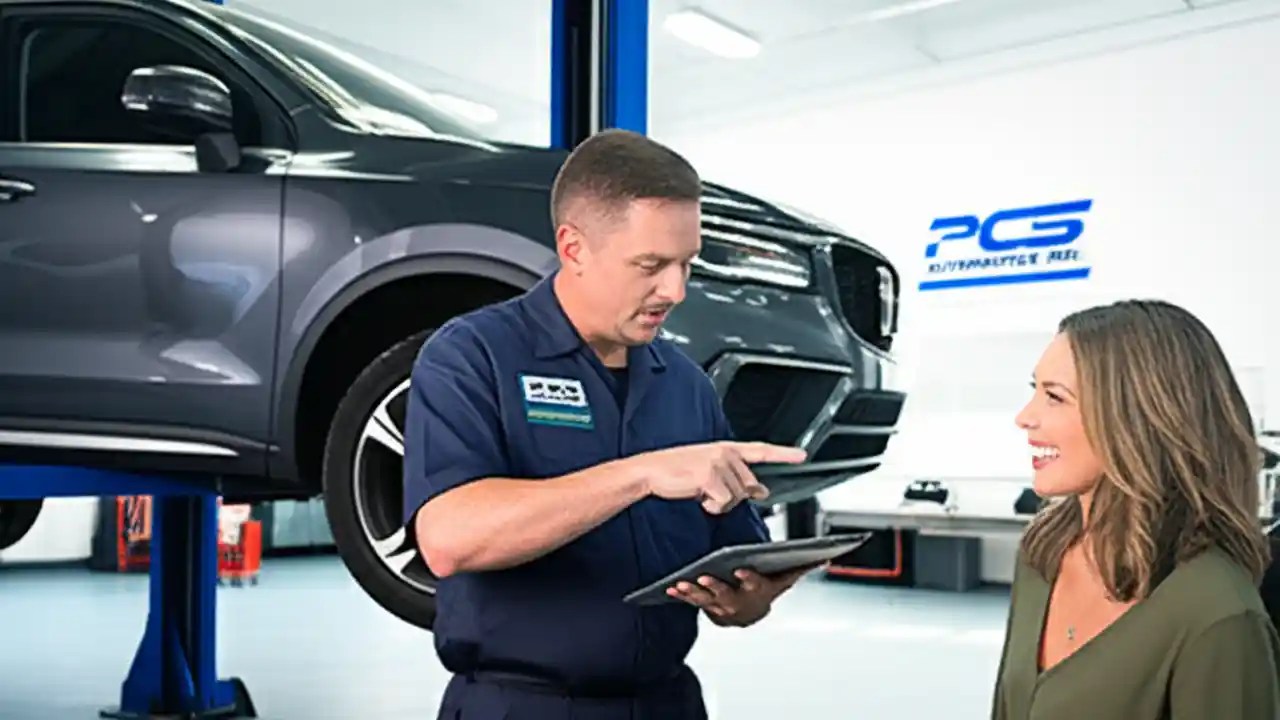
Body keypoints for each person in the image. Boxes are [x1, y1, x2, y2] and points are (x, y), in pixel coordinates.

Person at [401, 128, 815, 720]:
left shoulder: (686, 384)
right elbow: (448, 537)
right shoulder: (472, 356)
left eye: (685, 264)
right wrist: (642, 474)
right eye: (650, 265)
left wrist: (748, 597)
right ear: (574, 248)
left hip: (668, 704)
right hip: (521, 707)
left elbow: (736, 554)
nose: (674, 290)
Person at [991, 299, 1280, 720]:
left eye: (1055, 397)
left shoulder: (1220, 616)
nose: (1024, 417)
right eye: (1033, 390)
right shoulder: (1041, 554)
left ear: (1136, 417)